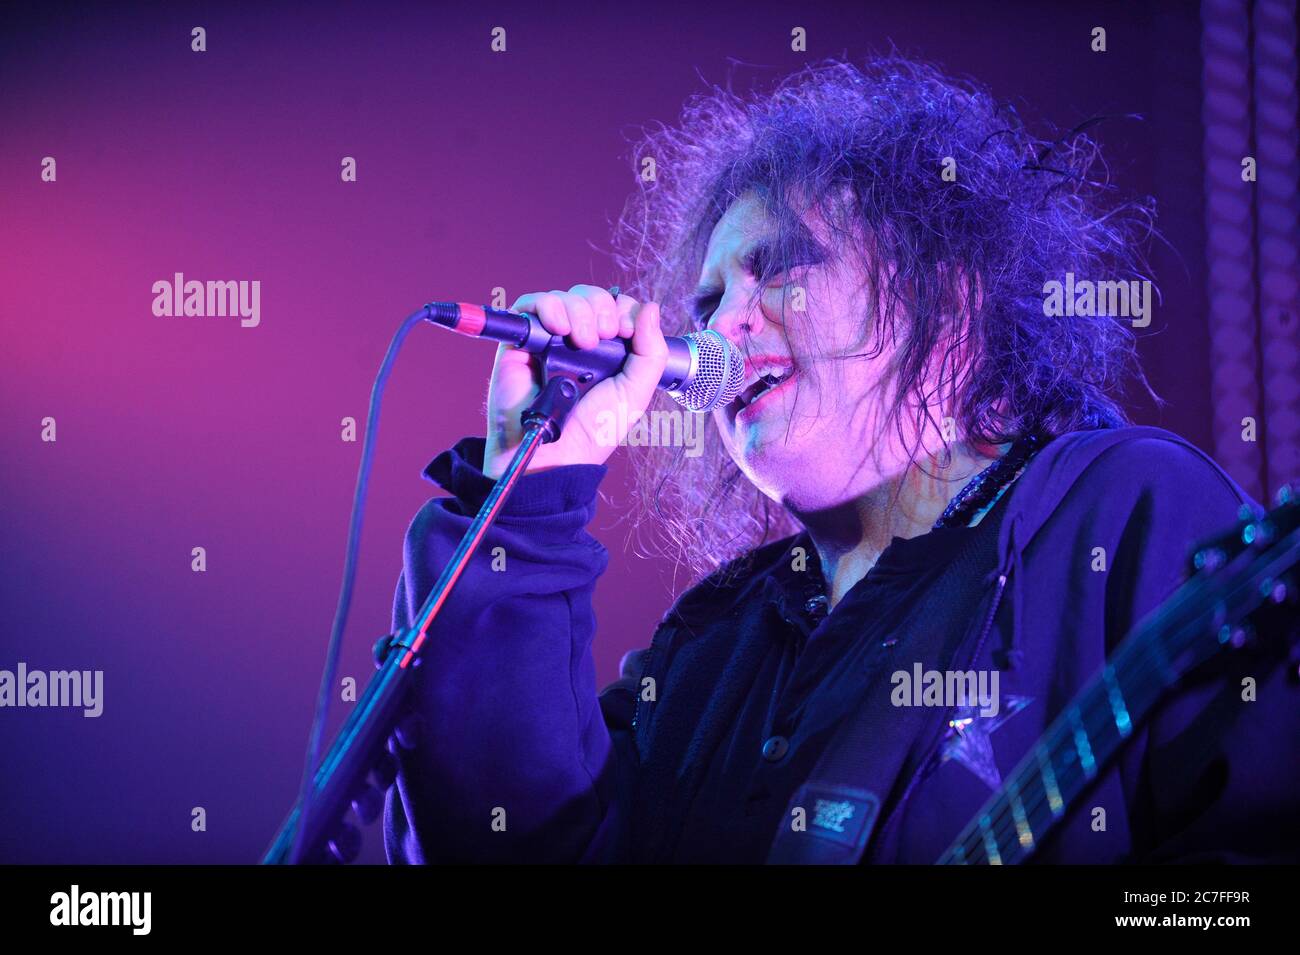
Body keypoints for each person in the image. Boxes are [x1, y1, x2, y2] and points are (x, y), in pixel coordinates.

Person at [382, 56, 1298, 864]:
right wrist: (526, 494)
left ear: (946, 292)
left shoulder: (1123, 508)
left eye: (778, 269)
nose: (720, 328)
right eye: (707, 302)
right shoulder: (711, 650)